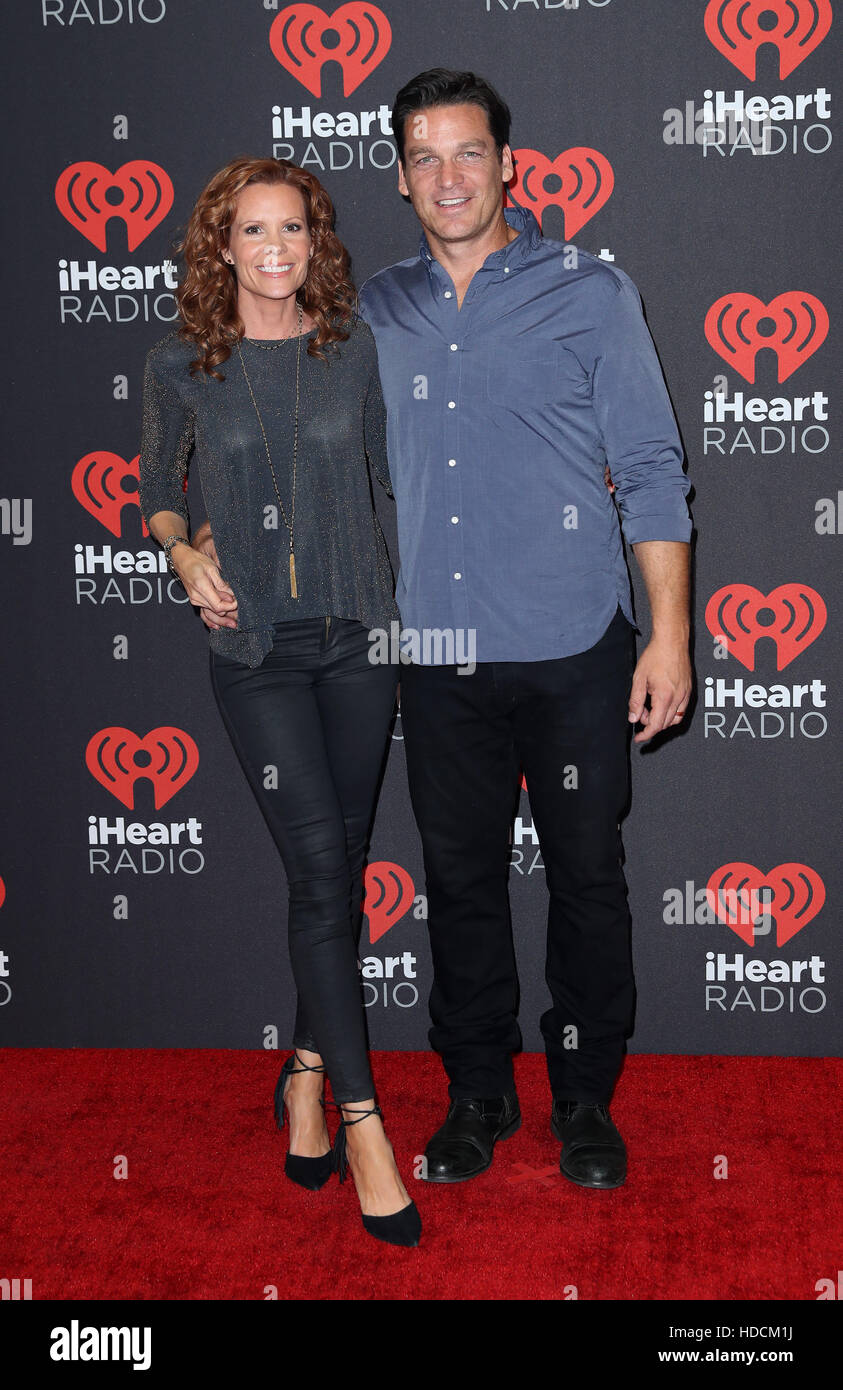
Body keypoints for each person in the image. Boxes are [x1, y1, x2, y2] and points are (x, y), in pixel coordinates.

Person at [197, 69, 693, 1193]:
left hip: (576, 643)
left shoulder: (591, 291)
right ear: (403, 175)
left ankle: (582, 1099)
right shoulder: (376, 308)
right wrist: (205, 533)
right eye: (423, 157)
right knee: (459, 881)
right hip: (436, 652)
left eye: (468, 152)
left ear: (508, 164)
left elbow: (655, 473)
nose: (447, 175)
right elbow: (280, 427)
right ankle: (477, 1094)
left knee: (587, 877)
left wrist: (671, 636)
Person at [138, 156, 421, 1247]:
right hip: (253, 650)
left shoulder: (355, 354)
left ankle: (304, 1073)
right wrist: (178, 557)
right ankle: (362, 1123)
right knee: (317, 870)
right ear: (220, 244)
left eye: (292, 228)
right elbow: (158, 488)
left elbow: (408, 474)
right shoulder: (180, 364)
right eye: (251, 230)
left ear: (317, 241)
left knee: (341, 870)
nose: (273, 247)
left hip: (360, 638)